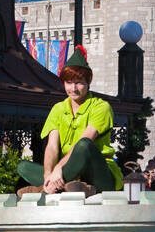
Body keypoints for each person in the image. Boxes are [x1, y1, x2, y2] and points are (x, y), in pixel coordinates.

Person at [16, 46, 123, 195]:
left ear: (88, 82)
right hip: (66, 173)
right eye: (69, 83)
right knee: (23, 167)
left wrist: (59, 168)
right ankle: (68, 186)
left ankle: (43, 189)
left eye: (79, 82)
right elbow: (52, 146)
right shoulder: (58, 109)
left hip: (99, 176)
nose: (74, 88)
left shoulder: (101, 107)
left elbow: (85, 142)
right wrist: (48, 175)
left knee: (84, 145)